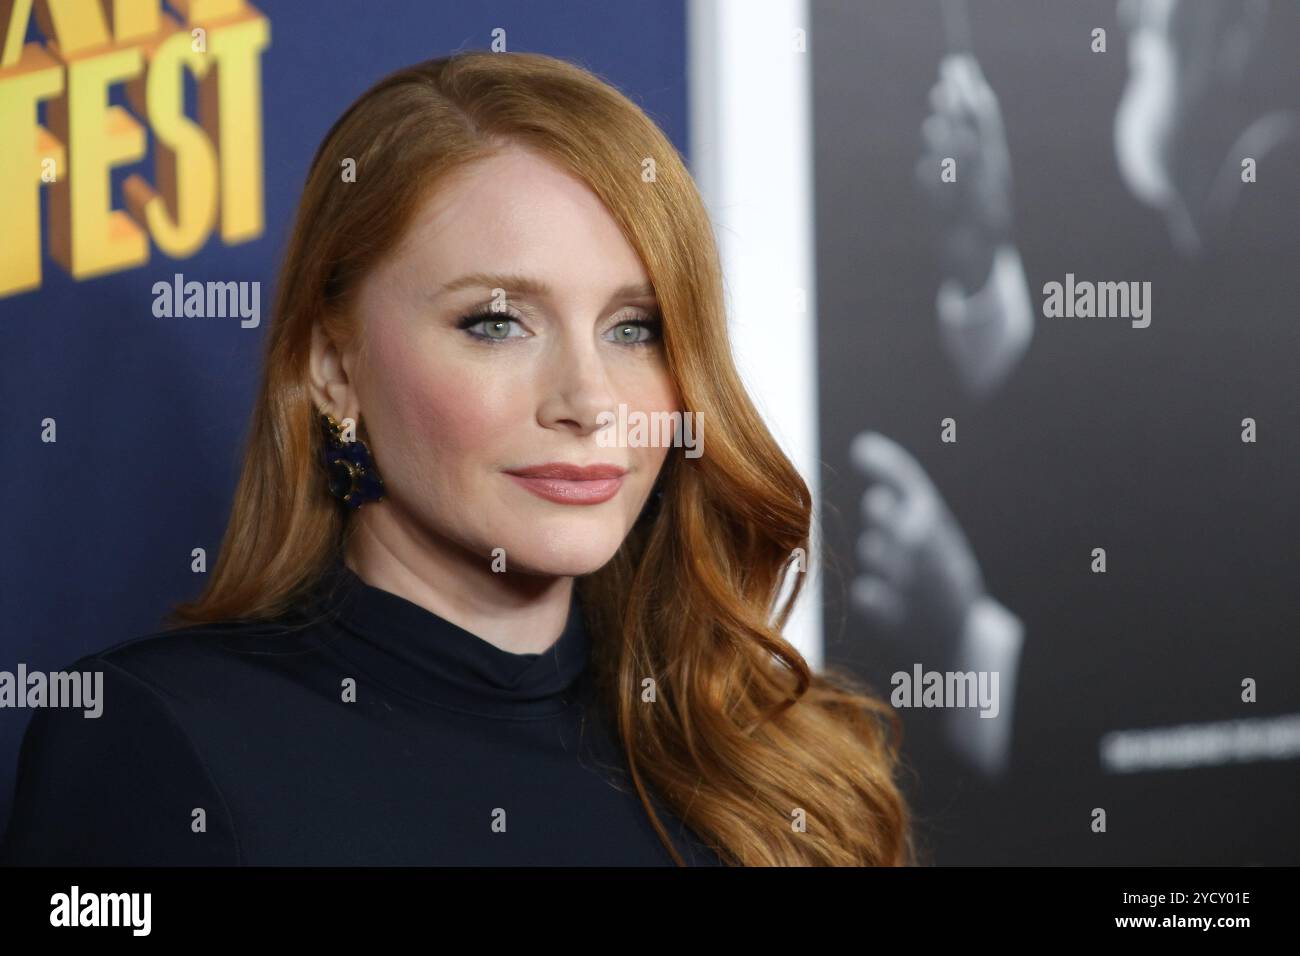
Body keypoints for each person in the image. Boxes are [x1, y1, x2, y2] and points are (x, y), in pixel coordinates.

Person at [0, 51, 913, 867]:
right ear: (333, 369)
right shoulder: (154, 741)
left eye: (635, 328)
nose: (591, 403)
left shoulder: (785, 752)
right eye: (497, 322)